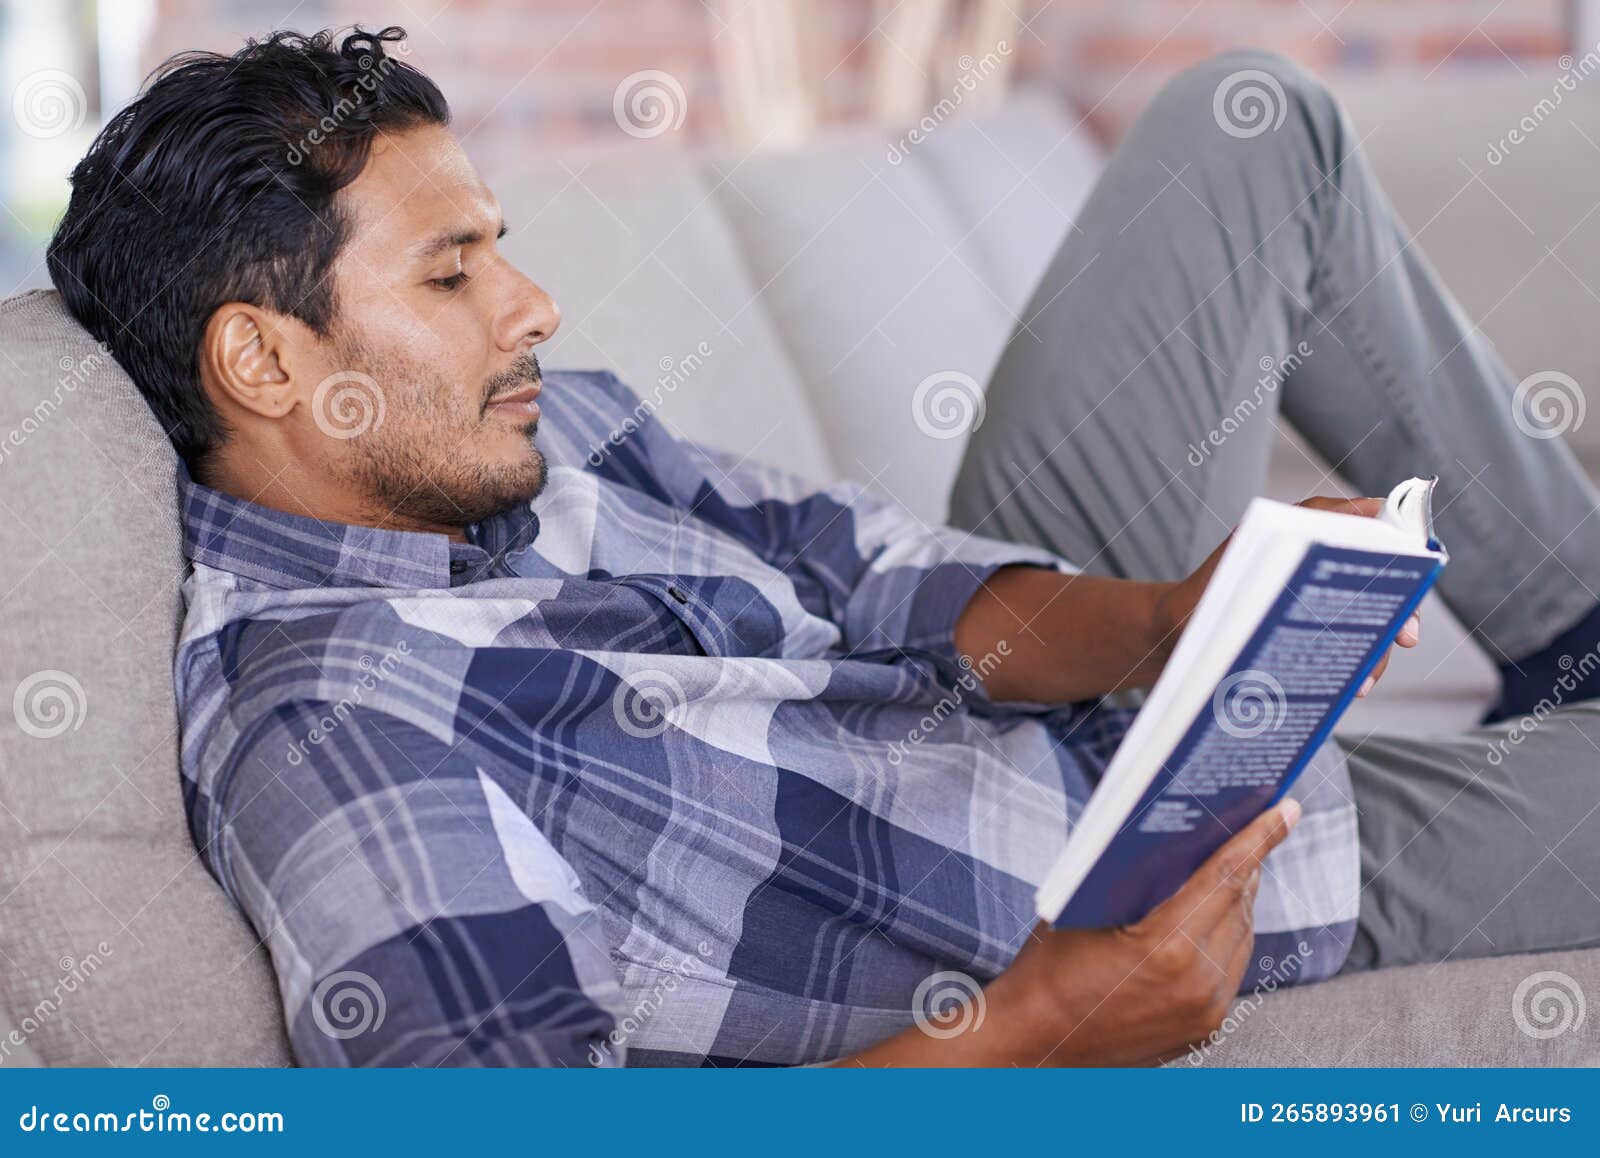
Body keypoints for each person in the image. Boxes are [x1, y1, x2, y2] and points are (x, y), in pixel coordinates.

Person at [46, 27, 1600, 1067]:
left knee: (1250, 130)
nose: (532, 306)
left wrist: (1175, 619)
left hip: (1056, 691)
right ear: (263, 364)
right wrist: (1037, 1023)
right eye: (454, 275)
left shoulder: (531, 433)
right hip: (1113, 873)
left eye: (499, 246)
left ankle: (1573, 619)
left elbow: (867, 568)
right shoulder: (341, 731)